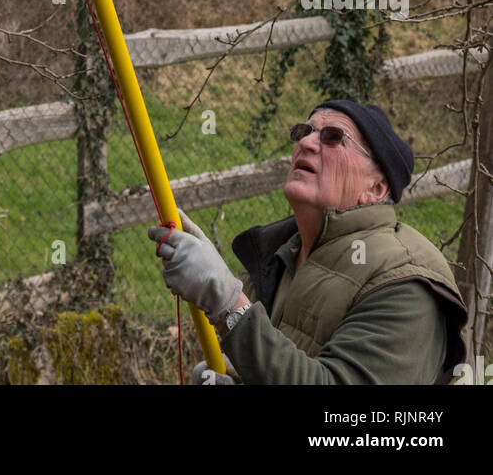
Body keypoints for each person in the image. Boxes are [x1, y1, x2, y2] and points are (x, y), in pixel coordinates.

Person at [149, 99, 467, 385]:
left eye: (332, 137)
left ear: (377, 187)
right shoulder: (283, 255)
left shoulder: (404, 279)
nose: (307, 142)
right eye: (305, 130)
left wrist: (229, 305)